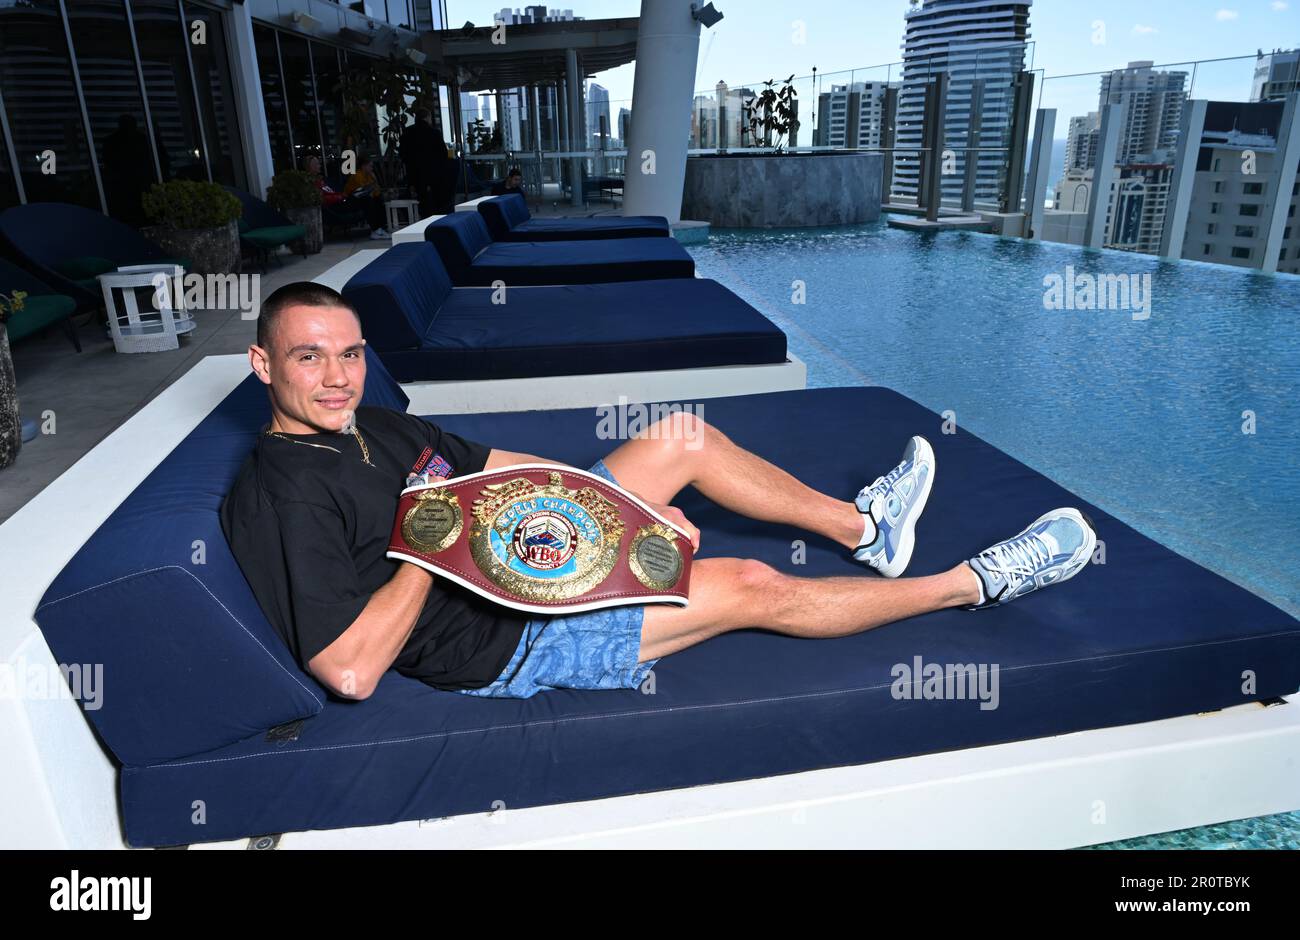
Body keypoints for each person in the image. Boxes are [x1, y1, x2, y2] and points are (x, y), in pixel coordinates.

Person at [221, 283, 1097, 701]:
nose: (337, 378)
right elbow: (350, 670)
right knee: (751, 584)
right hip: (508, 640)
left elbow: (501, 471)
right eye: (308, 357)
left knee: (684, 437)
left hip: (530, 551)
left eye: (350, 354)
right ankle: (975, 583)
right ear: (264, 364)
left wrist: (620, 517)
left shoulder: (377, 422)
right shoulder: (281, 496)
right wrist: (429, 540)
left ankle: (866, 527)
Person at [306, 155, 387, 240]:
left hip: (340, 200)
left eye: (318, 163)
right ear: (310, 166)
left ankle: (378, 229)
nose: (319, 166)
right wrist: (339, 196)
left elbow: (331, 193)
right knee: (365, 199)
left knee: (369, 198)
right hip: (335, 206)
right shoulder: (312, 182)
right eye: (316, 164)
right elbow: (323, 198)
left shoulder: (321, 180)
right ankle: (376, 230)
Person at [399, 108, 449, 216]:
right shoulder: (434, 132)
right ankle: (436, 218)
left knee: (422, 198)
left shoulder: (407, 132)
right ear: (427, 117)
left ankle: (423, 219)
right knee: (436, 199)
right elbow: (443, 154)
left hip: (414, 172)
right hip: (433, 172)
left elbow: (402, 154)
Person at [342, 153, 389, 237]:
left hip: (362, 199)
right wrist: (372, 190)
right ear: (364, 166)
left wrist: (375, 180)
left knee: (379, 199)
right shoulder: (357, 176)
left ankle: (381, 228)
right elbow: (361, 192)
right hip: (350, 201)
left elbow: (376, 192)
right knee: (368, 200)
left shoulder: (369, 175)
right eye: (370, 166)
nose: (372, 168)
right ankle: (375, 230)